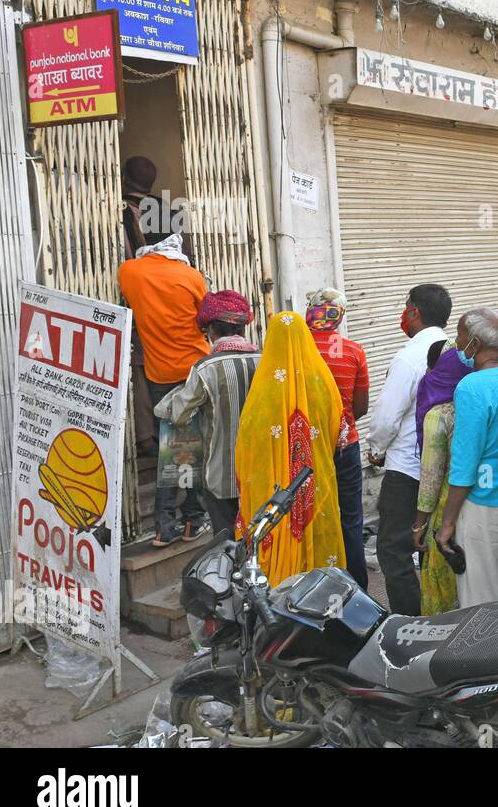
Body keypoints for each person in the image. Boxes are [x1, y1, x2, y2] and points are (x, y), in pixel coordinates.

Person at [433, 309, 498, 607]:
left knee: (480, 601)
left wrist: (448, 522)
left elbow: (465, 465)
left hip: (485, 506)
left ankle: (484, 654)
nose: (456, 342)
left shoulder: (471, 388)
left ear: (474, 344)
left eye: (460, 336)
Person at [236, 312, 345, 588]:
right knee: (317, 530)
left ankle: (278, 585)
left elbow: (248, 443)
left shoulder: (263, 390)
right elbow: (336, 427)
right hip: (315, 478)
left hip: (273, 488)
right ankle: (322, 589)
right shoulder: (323, 381)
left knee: (275, 525)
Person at [118, 231, 210, 546]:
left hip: (158, 376)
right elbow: (205, 317)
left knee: (172, 448)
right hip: (195, 373)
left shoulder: (130, 272)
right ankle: (191, 521)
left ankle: (165, 526)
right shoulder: (192, 276)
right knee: (192, 448)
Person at [366, 284, 451, 615]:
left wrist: (376, 448)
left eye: (405, 307)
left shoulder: (409, 357)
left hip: (408, 469)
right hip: (444, 466)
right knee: (432, 543)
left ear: (414, 312)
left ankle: (409, 621)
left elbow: (387, 416)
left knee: (394, 549)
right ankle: (437, 611)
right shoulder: (452, 350)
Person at [153, 290, 260, 539]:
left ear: (210, 330)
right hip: (260, 472)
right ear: (243, 327)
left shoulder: (206, 368)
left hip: (221, 475)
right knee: (258, 542)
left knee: (226, 544)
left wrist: (169, 402)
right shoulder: (264, 360)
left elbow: (178, 416)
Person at [305, 287, 370, 590]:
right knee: (351, 518)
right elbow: (360, 407)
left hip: (304, 448)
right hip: (346, 445)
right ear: (339, 317)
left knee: (311, 516)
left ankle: (313, 587)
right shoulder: (354, 351)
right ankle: (357, 588)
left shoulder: (297, 350)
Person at [411, 344, 472, 615]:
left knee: (443, 581)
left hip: (446, 510)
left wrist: (419, 525)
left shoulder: (438, 415)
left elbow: (430, 478)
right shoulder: (476, 402)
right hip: (480, 504)